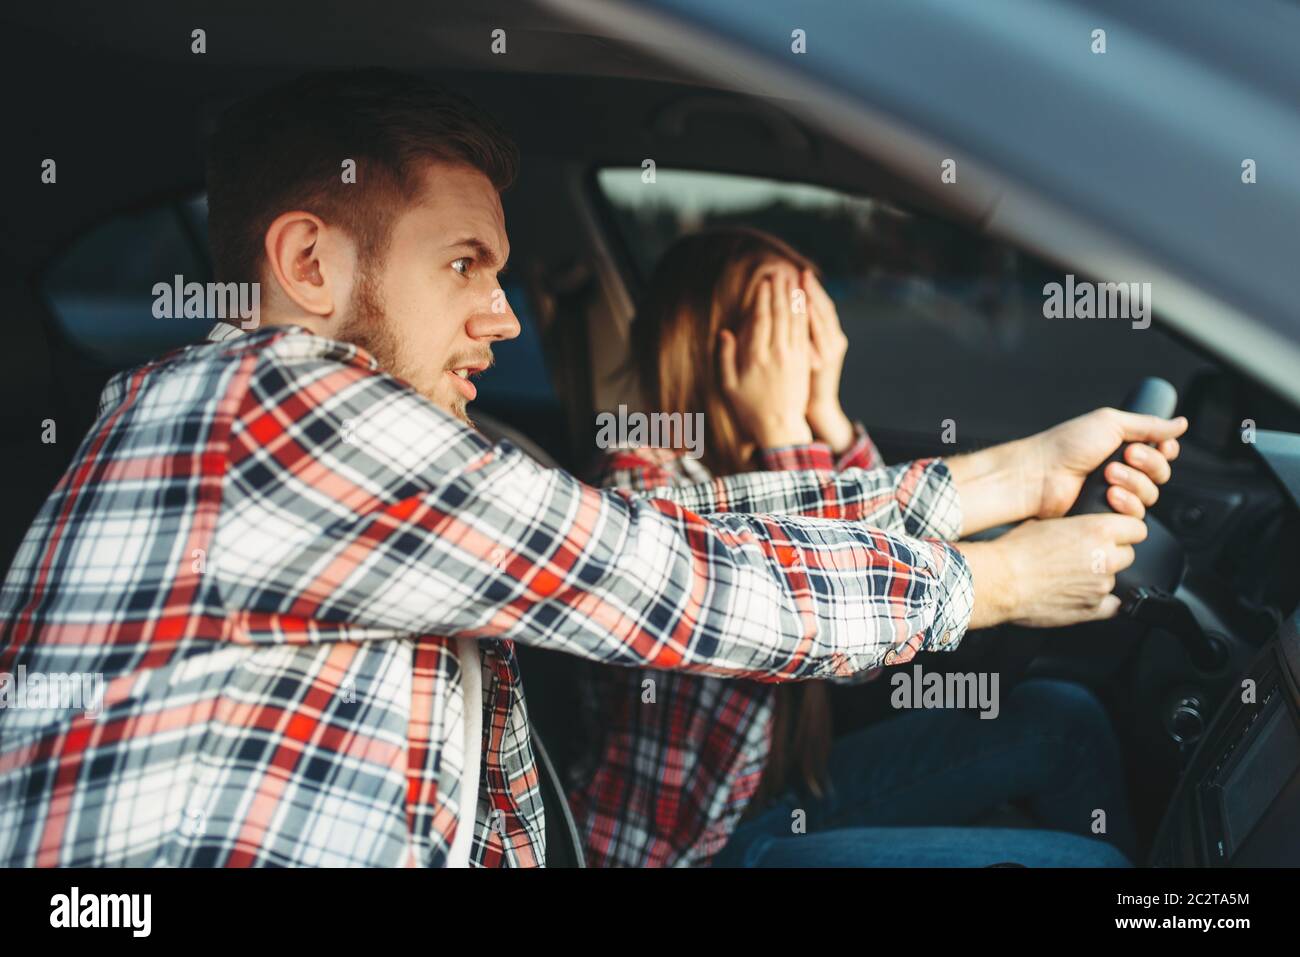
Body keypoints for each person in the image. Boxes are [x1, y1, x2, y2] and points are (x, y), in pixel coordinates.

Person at [0, 71, 1183, 868]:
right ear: (311, 261)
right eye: (463, 263)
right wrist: (995, 587)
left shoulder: (353, 456)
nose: (504, 317)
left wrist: (1008, 478)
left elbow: (692, 532)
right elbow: (664, 578)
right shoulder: (277, 409)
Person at [570, 228, 1172, 867]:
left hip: (775, 794)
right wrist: (782, 430)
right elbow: (838, 635)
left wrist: (827, 414)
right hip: (693, 850)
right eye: (788, 326)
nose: (815, 350)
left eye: (820, 326)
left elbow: (886, 607)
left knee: (1061, 718)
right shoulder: (636, 486)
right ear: (715, 347)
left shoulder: (775, 467)